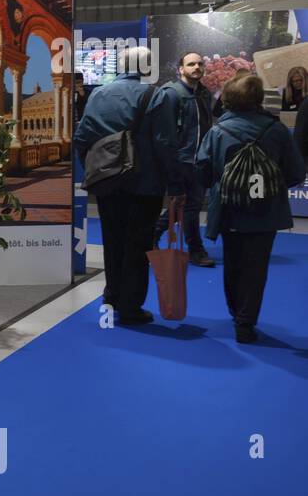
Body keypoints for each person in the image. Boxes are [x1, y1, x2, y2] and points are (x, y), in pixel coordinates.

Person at [195, 73, 306, 344]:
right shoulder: (276, 130)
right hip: (266, 210)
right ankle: (246, 321)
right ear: (259, 98)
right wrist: (274, 185)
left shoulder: (218, 131)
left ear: (229, 98)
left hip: (230, 208)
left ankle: (237, 314)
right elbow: (296, 171)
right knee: (257, 267)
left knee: (232, 262)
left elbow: (202, 171)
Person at [73, 45, 172, 325]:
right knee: (138, 243)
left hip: (107, 182)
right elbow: (165, 143)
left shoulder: (98, 94)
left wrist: (98, 164)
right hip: (145, 183)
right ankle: (130, 306)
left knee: (112, 238)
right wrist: (173, 180)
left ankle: (112, 294)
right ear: (146, 66)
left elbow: (82, 137)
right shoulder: (156, 96)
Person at [153, 52, 217, 267]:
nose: (197, 67)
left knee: (188, 206)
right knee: (186, 205)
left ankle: (154, 235)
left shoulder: (205, 94)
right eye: (191, 64)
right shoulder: (171, 94)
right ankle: (196, 249)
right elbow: (163, 133)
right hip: (180, 160)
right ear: (181, 69)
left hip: (200, 160)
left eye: (200, 63)